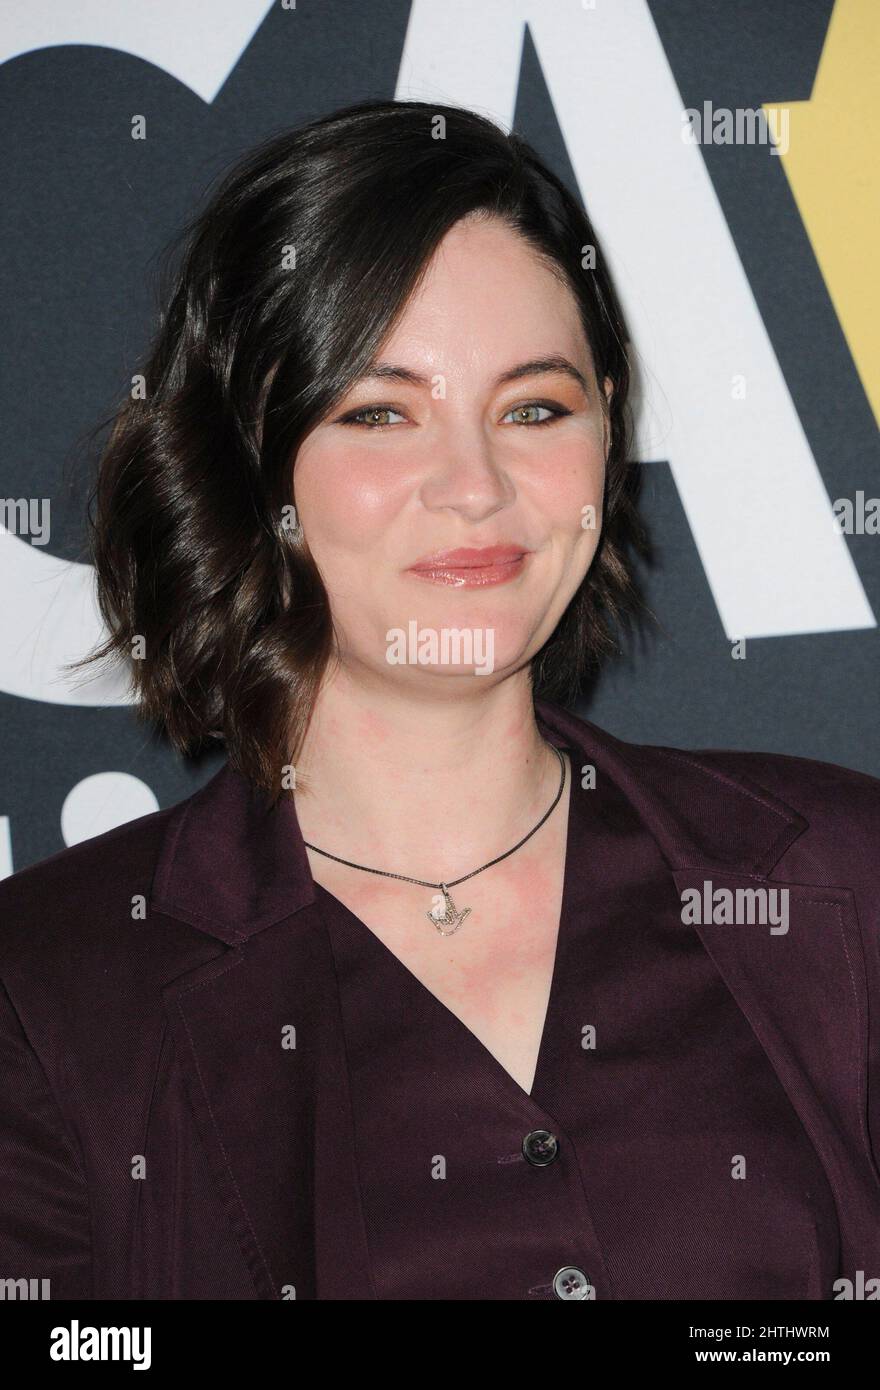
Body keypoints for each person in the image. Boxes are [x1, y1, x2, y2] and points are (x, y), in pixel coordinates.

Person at [1, 98, 878, 1302]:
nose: (474, 485)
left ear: (605, 440)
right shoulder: (50, 992)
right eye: (378, 413)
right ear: (246, 469)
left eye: (533, 408)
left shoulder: (843, 886)